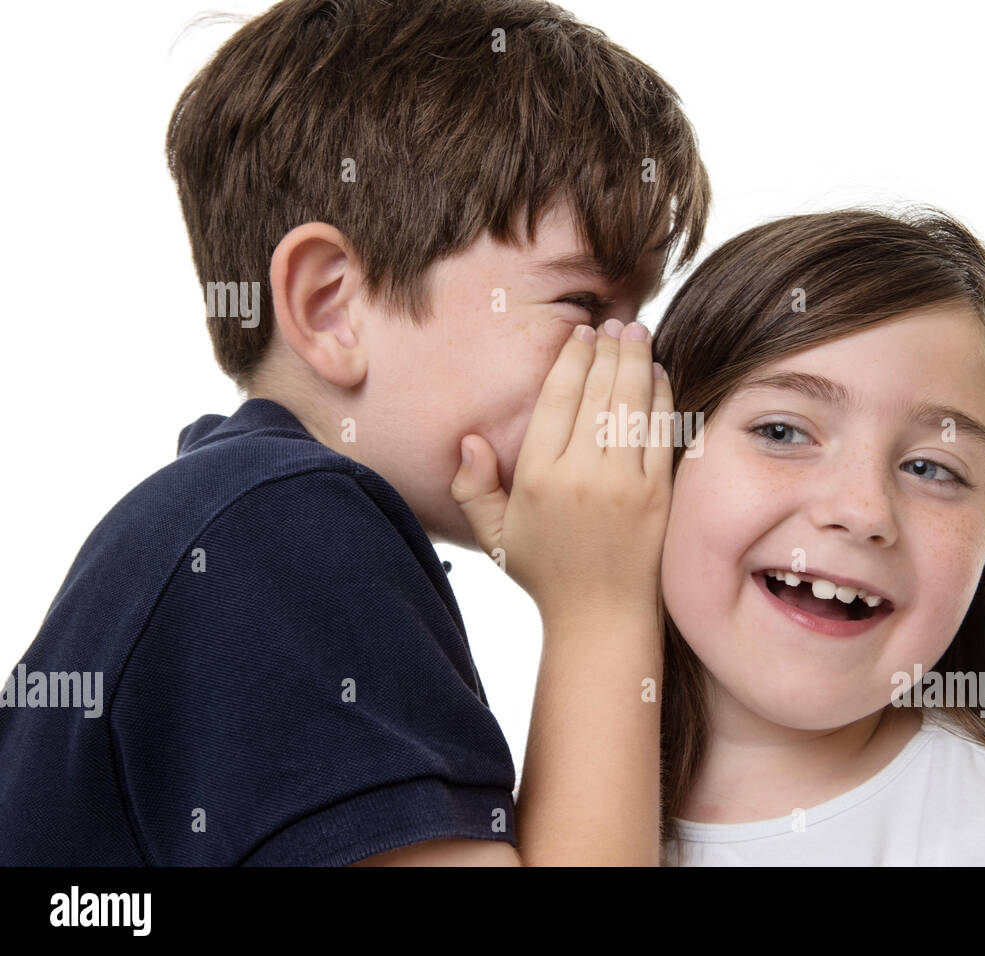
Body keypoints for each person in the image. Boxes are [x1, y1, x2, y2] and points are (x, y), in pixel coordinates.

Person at [0, 0, 708, 866]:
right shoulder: (280, 530)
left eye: (640, 319)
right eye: (585, 307)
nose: (636, 367)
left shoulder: (237, 517)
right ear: (332, 306)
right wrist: (601, 608)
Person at [650, 208, 985, 865]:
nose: (863, 512)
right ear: (655, 451)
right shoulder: (528, 795)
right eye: (782, 431)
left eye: (930, 468)